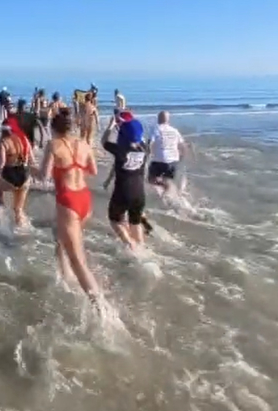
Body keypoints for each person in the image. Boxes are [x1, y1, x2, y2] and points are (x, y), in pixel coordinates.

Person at [38, 110, 101, 301]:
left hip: (68, 201)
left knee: (78, 261)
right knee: (60, 239)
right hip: (84, 198)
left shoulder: (53, 145)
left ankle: (101, 308)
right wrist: (75, 169)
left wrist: (28, 167)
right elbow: (93, 170)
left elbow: (44, 177)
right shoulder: (84, 144)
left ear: (53, 128)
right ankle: (66, 279)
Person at [101, 110, 150, 249]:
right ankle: (141, 248)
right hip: (139, 192)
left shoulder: (120, 149)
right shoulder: (145, 149)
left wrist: (111, 126)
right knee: (135, 222)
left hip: (123, 191)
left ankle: (130, 245)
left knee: (115, 220)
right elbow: (138, 138)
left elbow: (104, 141)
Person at [0, 116, 34, 228]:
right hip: (24, 175)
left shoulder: (3, 142)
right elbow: (32, 161)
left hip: (10, 175)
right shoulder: (24, 139)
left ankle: (1, 219)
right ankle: (22, 230)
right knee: (18, 209)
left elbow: (1, 163)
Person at [147, 111, 187, 198]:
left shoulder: (156, 129)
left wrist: (149, 153)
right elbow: (182, 145)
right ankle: (169, 193)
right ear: (168, 120)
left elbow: (150, 142)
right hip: (173, 161)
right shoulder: (174, 131)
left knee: (151, 179)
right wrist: (181, 157)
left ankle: (165, 192)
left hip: (159, 160)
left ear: (158, 119)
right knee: (167, 179)